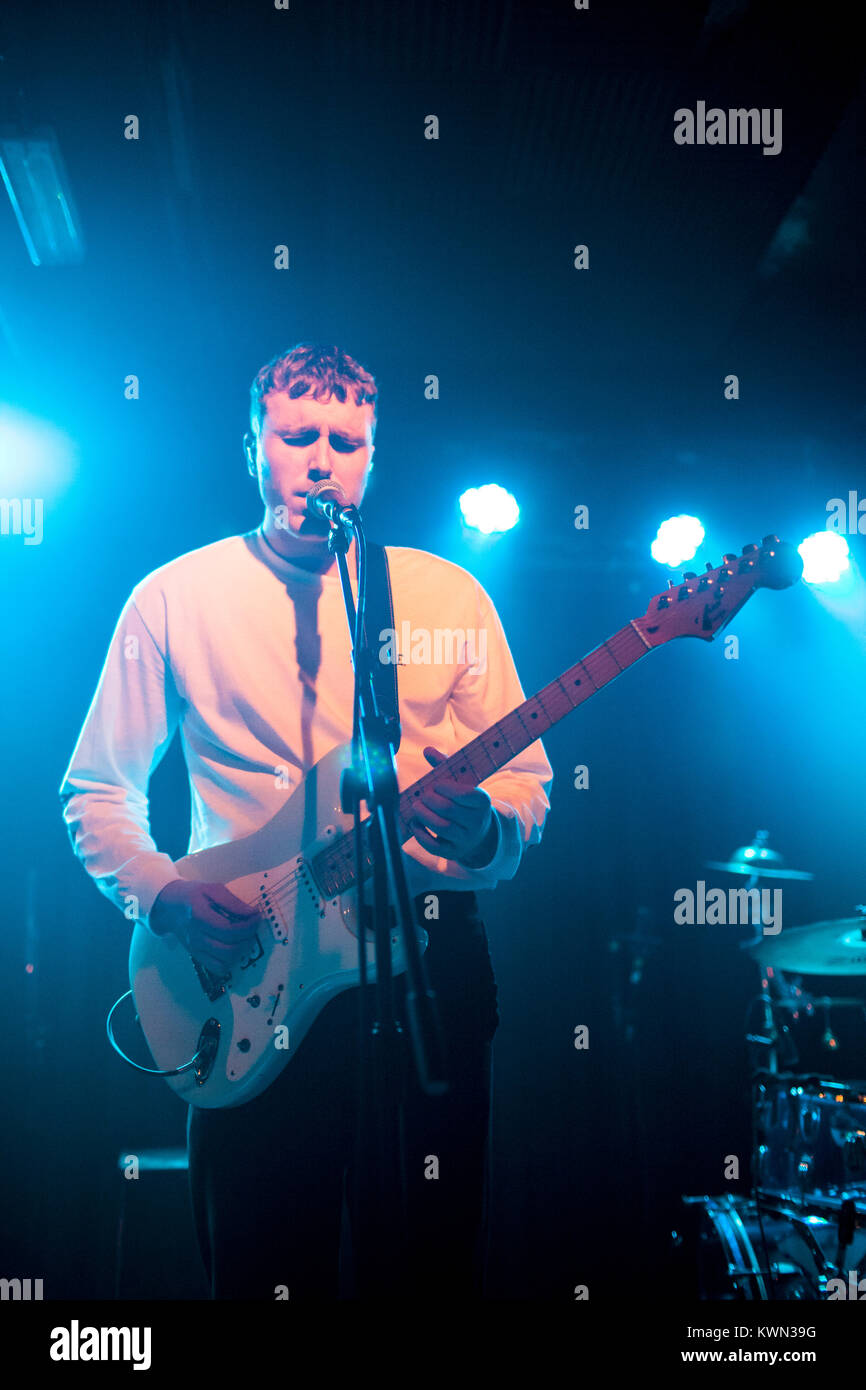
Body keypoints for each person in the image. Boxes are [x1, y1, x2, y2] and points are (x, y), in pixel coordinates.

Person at [59, 342, 553, 1300]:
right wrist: (164, 895)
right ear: (254, 447)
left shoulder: (445, 595)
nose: (323, 460)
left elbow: (528, 781)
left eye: (347, 442)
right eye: (297, 437)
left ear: (373, 458)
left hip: (428, 970)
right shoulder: (174, 596)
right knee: (260, 1270)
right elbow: (97, 787)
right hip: (244, 966)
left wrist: (486, 827)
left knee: (429, 1273)